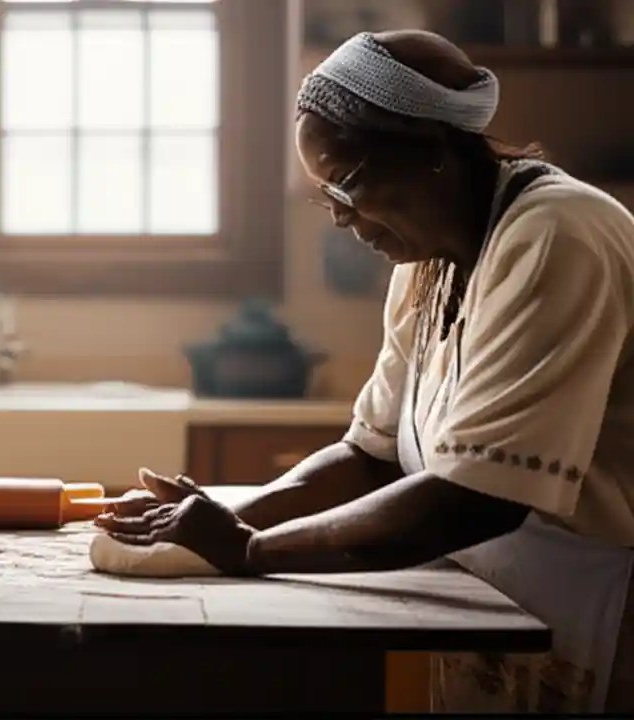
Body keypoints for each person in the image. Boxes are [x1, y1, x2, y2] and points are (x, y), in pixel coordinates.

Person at [97, 30, 634, 714]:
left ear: (431, 148)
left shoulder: (558, 233)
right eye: (325, 195)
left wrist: (252, 550)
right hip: (503, 597)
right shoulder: (426, 262)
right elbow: (371, 455)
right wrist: (226, 515)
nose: (340, 218)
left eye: (347, 182)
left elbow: (476, 498)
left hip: (600, 606)